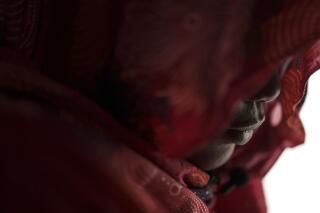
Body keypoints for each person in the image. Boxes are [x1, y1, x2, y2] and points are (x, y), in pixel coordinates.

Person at [0, 0, 319, 212]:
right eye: (216, 39)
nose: (270, 87)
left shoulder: (226, 188)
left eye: (283, 47)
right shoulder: (46, 179)